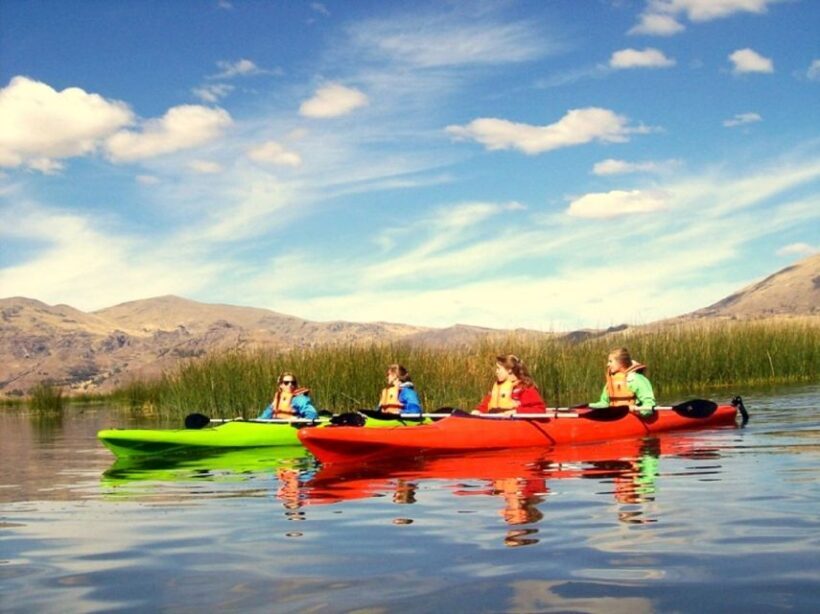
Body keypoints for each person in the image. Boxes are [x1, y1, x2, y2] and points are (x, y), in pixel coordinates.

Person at [588, 347, 656, 416]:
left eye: (610, 361)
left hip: (634, 416)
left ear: (621, 363)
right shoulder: (611, 382)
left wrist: (639, 411)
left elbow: (649, 404)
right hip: (614, 415)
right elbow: (604, 403)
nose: (607, 364)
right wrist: (588, 406)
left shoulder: (637, 379)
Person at [475, 354, 546, 415]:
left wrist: (516, 411)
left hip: (515, 423)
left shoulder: (525, 388)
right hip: (497, 421)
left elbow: (540, 409)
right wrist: (478, 411)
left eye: (498, 369)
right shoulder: (498, 387)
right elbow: (487, 404)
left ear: (509, 370)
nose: (496, 372)